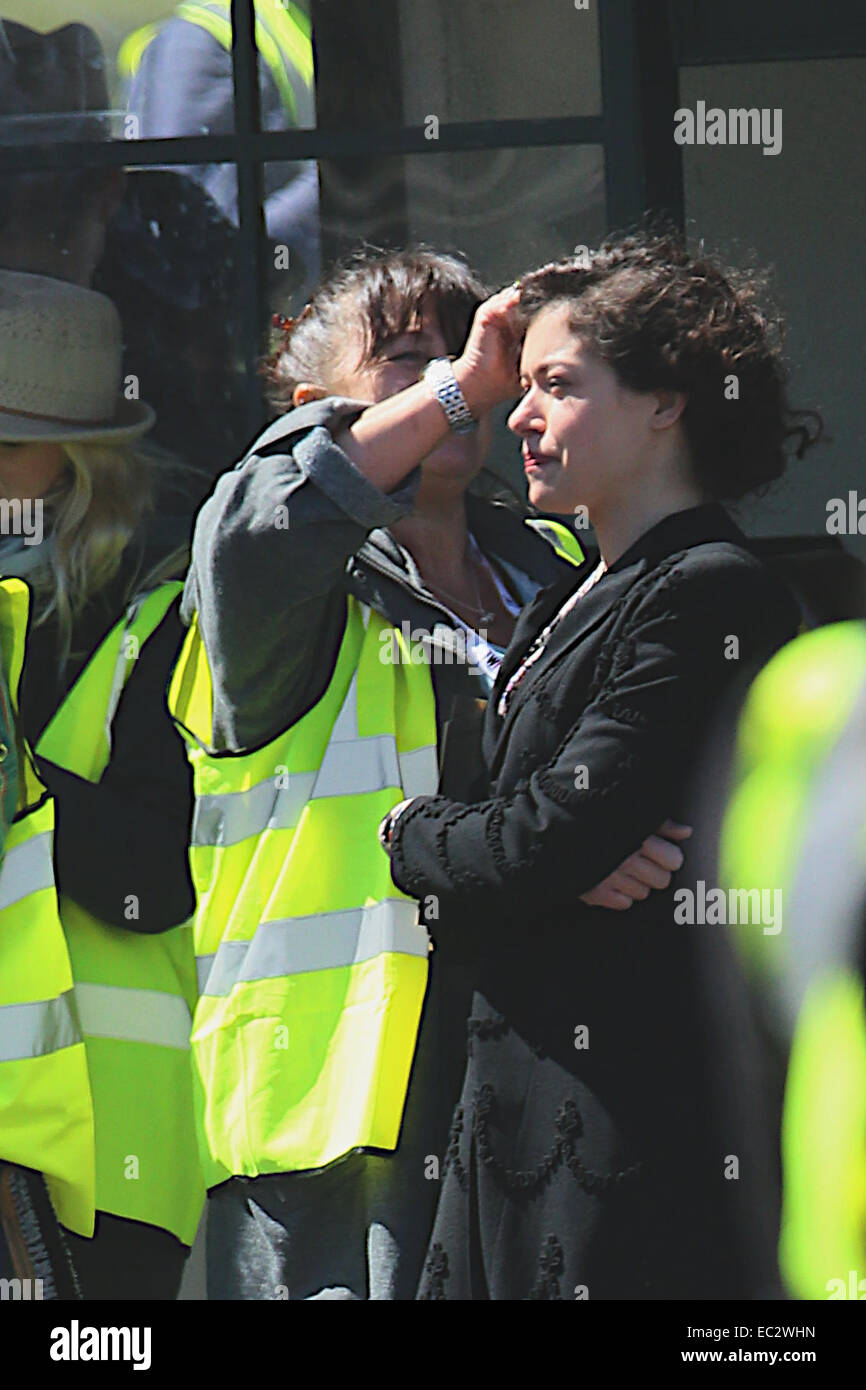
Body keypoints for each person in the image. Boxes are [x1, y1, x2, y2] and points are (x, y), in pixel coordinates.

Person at [170, 247, 691, 1300]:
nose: (462, 379)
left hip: (533, 1065)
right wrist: (467, 383)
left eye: (472, 355)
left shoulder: (553, 567)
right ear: (317, 409)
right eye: (412, 360)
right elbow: (261, 524)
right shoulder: (282, 582)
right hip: (346, 1113)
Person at [373, 231, 814, 1299]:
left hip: (628, 1137)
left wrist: (410, 832)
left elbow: (540, 838)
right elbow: (522, 852)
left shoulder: (708, 588)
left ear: (666, 401)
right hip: (510, 1118)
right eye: (519, 387)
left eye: (556, 386)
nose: (514, 416)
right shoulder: (562, 596)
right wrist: (504, 856)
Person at [0, 269, 204, 1298]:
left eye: (4, 448)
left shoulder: (164, 614)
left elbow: (156, 879)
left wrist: (21, 774)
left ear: (87, 465)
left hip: (98, 1148)